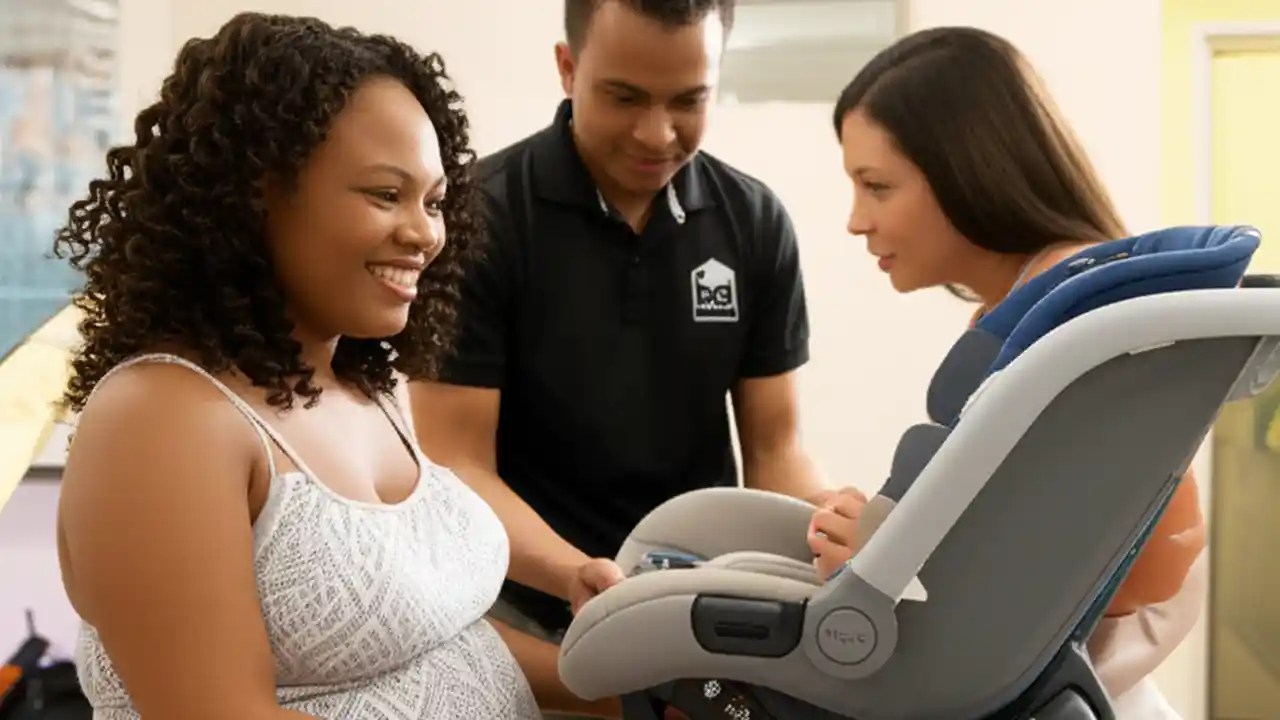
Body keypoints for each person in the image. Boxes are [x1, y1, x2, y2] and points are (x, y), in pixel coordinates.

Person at [49, 12, 617, 720]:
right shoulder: (162, 418)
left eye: (434, 201)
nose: (425, 234)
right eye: (386, 195)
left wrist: (636, 692)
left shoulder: (365, 384)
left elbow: (441, 639)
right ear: (256, 192)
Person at [409, 0, 860, 711]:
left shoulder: (754, 221)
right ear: (568, 68)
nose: (658, 133)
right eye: (625, 98)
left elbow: (777, 447)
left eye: (689, 100)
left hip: (698, 610)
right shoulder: (479, 219)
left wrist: (828, 519)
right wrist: (576, 573)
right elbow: (456, 463)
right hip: (526, 614)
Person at [817, 26, 1206, 719]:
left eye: (876, 186)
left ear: (968, 168)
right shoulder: (1040, 304)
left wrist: (887, 552)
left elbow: (1121, 566)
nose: (855, 221)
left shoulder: (1074, 311)